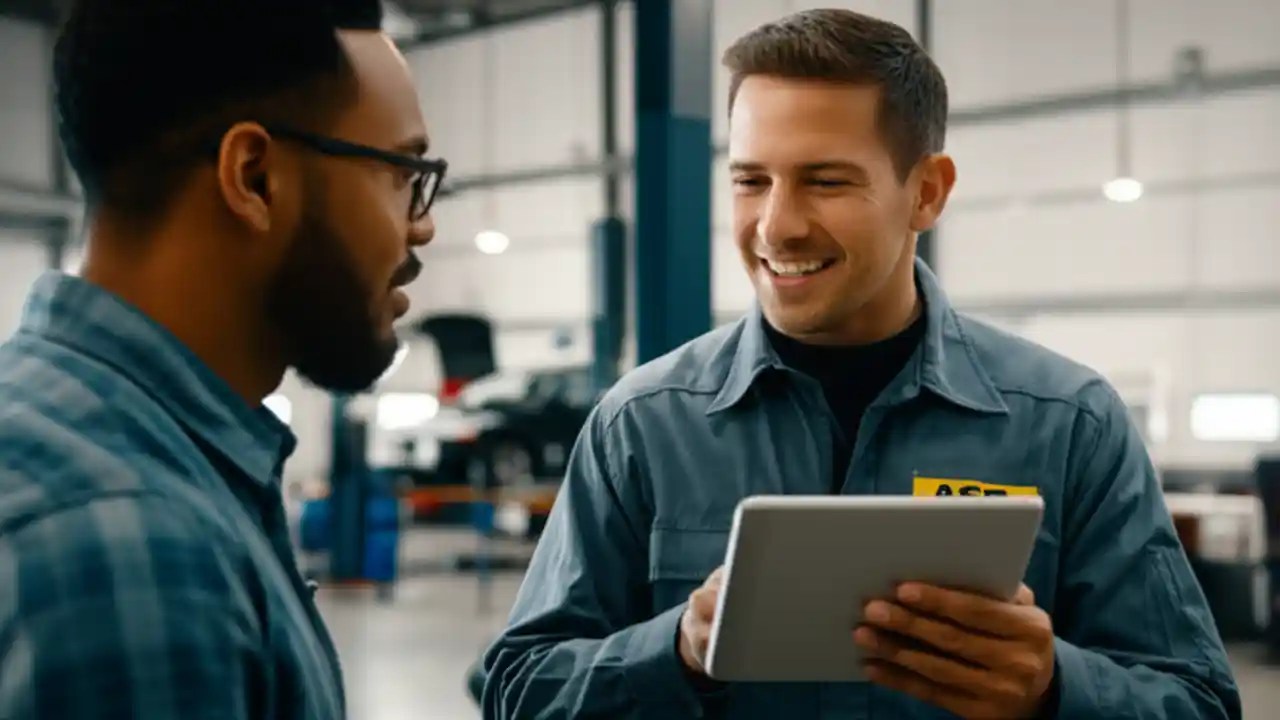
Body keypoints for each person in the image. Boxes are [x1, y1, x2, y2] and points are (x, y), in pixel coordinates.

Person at [482, 8, 1240, 719]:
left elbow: (1199, 699)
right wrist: (673, 650)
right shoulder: (643, 424)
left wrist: (1054, 688)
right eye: (751, 180)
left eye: (825, 180)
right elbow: (516, 689)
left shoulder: (1068, 422)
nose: (776, 226)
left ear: (927, 193)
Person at [0, 0, 442, 717]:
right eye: (403, 173)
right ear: (255, 176)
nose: (421, 225)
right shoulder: (135, 544)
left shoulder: (50, 429)